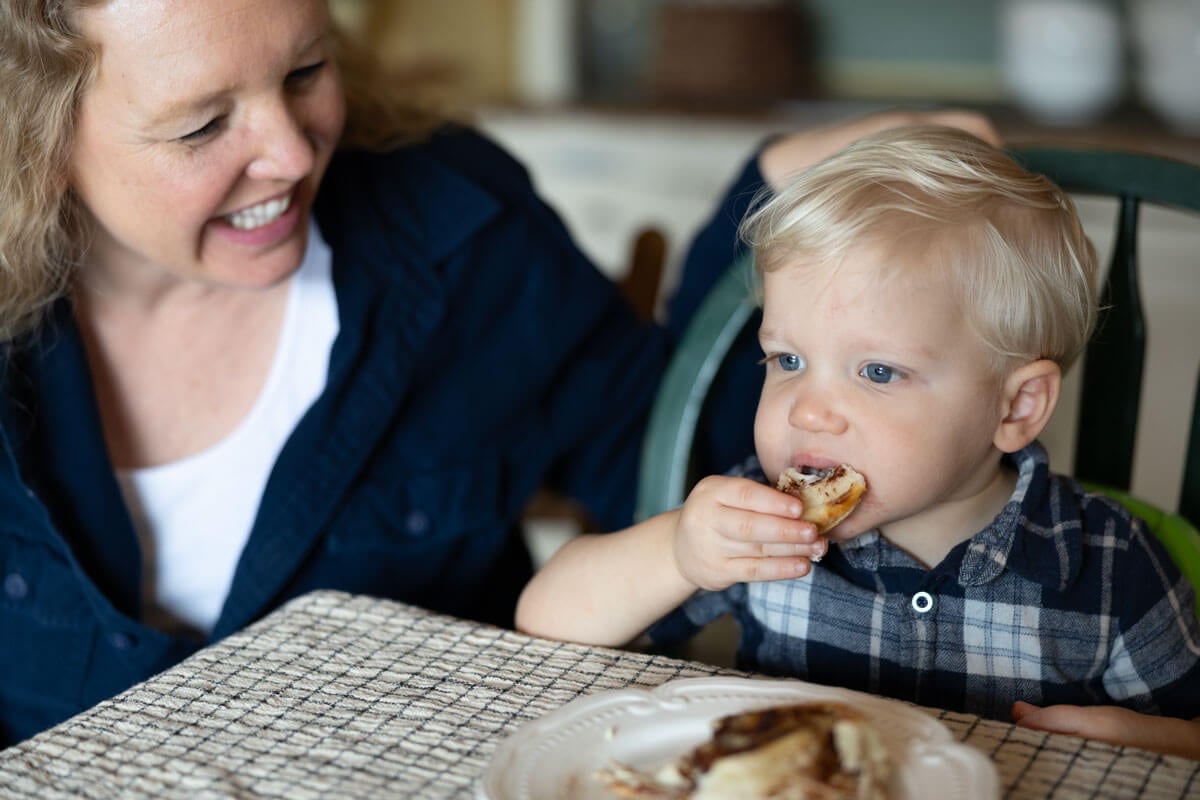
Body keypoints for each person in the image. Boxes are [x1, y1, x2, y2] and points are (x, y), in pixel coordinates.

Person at [0, 0, 1000, 749]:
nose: (293, 150)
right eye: (202, 124)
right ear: (37, 139)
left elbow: (681, 457)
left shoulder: (457, 229)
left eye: (306, 71)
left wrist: (768, 205)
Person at [517, 126, 1200, 759]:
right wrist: (679, 551)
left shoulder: (1111, 568)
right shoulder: (762, 526)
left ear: (1017, 406)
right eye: (786, 360)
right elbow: (545, 625)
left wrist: (1141, 738)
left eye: (877, 371)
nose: (808, 409)